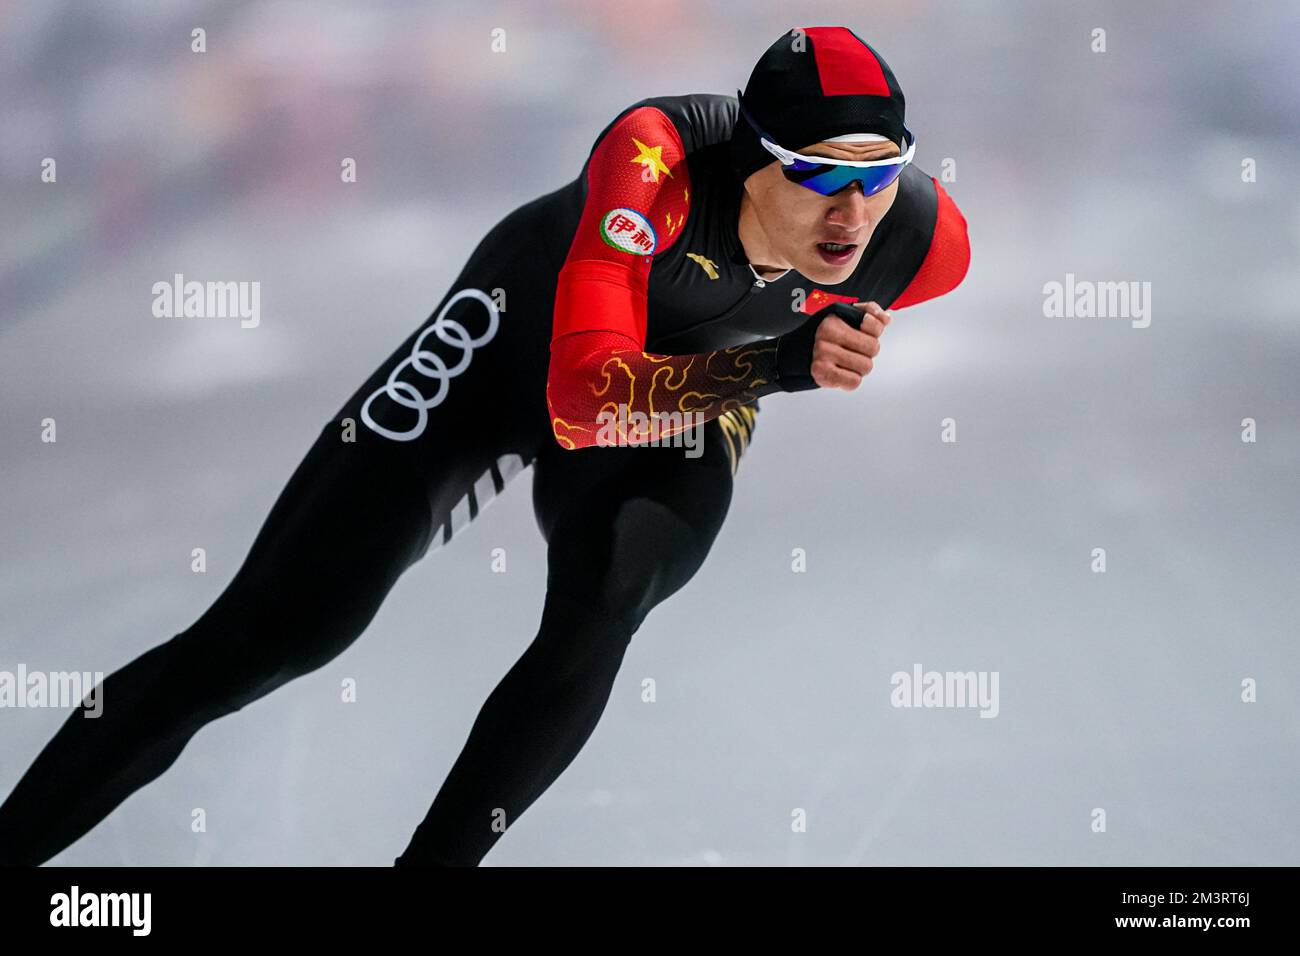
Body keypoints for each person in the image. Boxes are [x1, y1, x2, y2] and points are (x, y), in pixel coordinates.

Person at [0, 26, 970, 866]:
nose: (849, 215)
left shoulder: (922, 241)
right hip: (511, 351)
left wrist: (760, 365)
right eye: (817, 176)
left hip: (683, 389)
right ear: (754, 158)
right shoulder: (654, 161)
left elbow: (785, 313)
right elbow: (583, 400)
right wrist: (768, 366)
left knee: (613, 586)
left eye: (875, 177)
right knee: (277, 631)